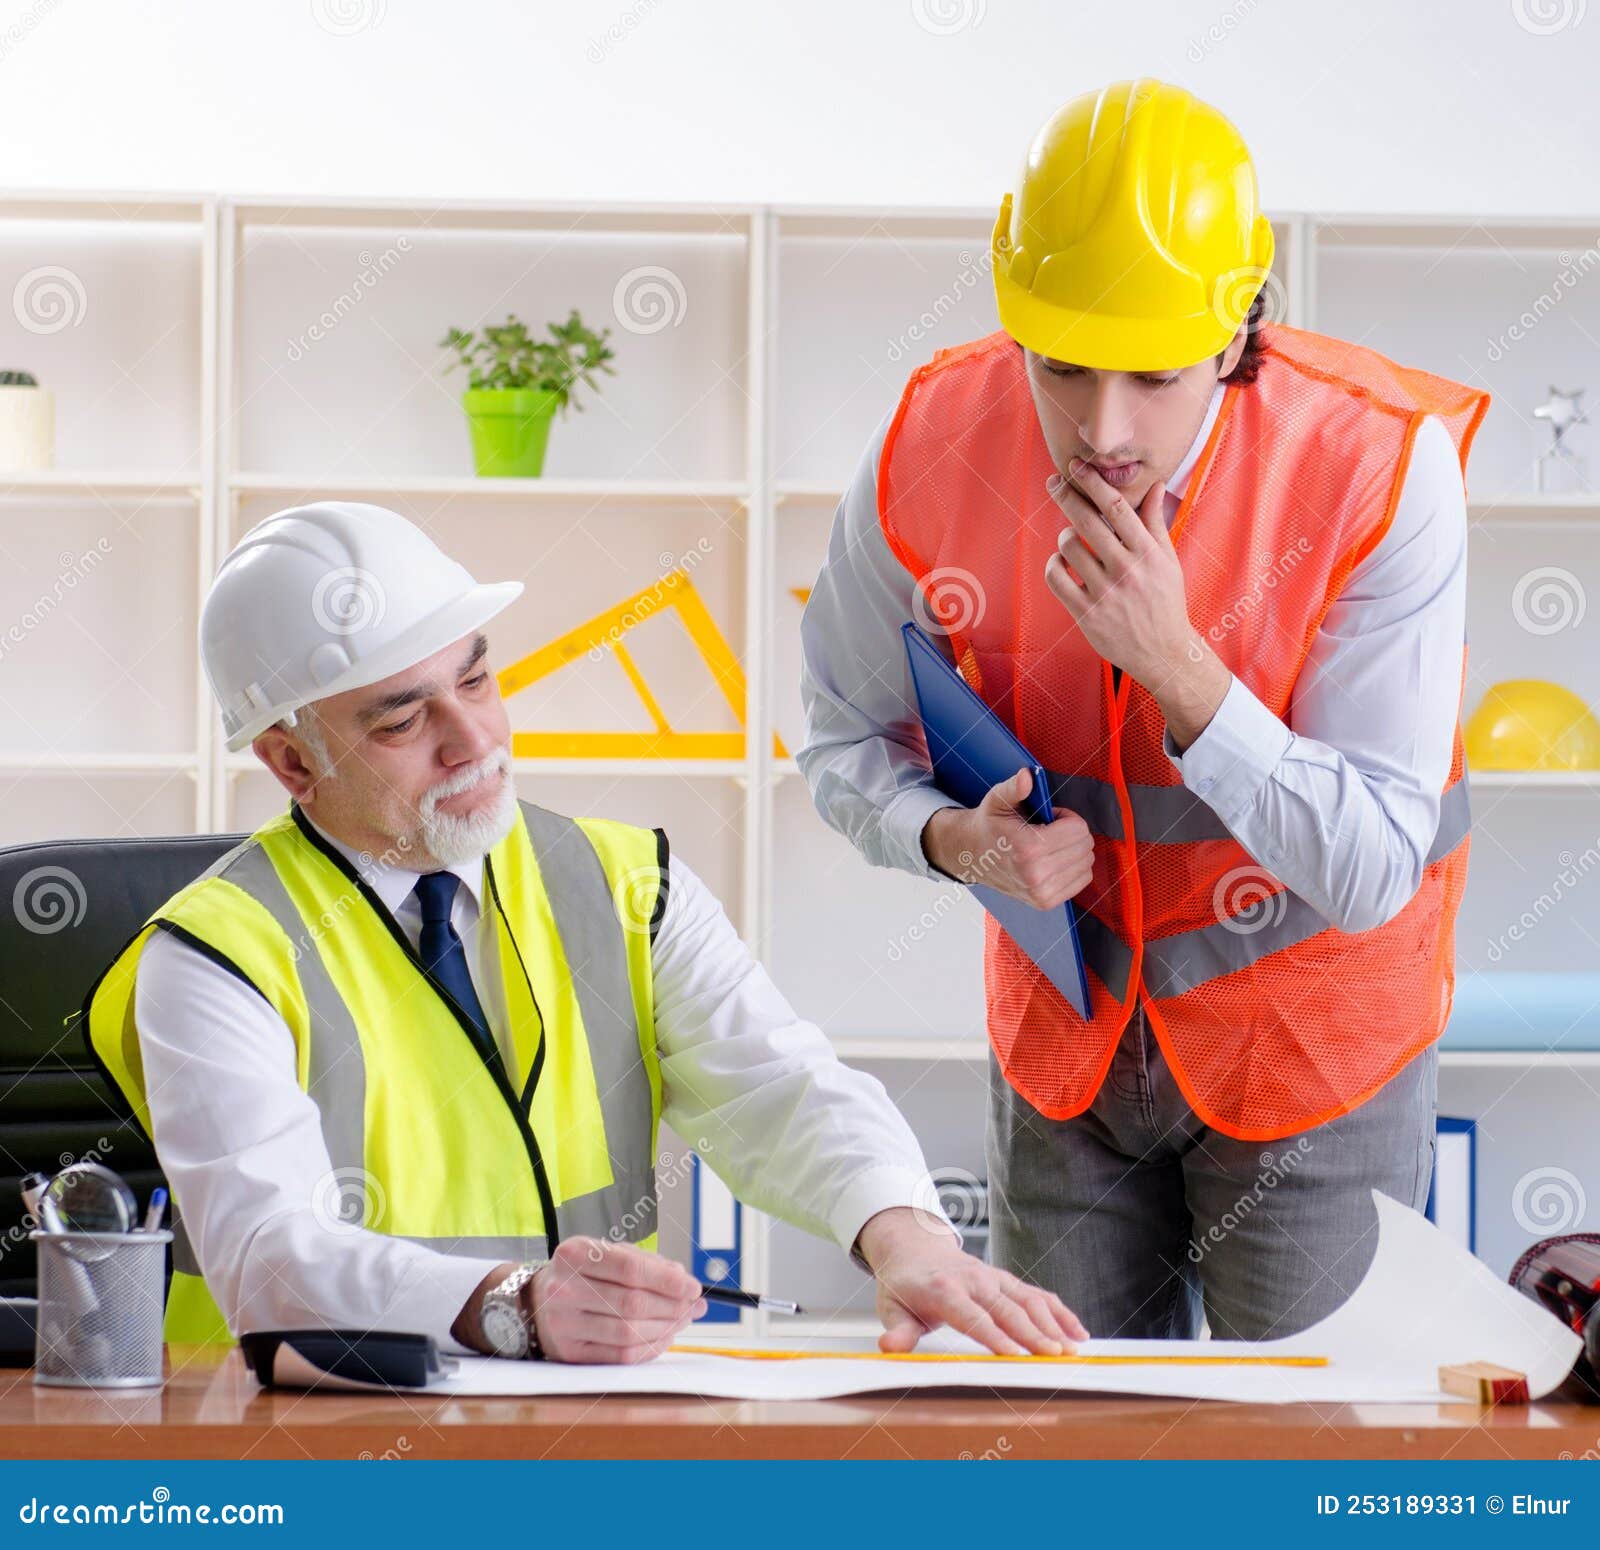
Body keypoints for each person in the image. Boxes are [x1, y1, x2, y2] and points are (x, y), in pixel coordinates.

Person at [797, 78, 1488, 1341]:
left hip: (1309, 1038)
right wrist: (952, 839)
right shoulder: (924, 446)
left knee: (1307, 1460)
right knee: (1062, 1445)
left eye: (1156, 376)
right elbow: (842, 735)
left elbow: (1376, 863)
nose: (1102, 429)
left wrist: (1183, 673)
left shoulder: (1379, 469)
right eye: (1060, 365)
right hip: (1068, 1037)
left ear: (1238, 333)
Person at [83, 501, 1086, 1363]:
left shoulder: (622, 881)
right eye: (400, 720)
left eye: (475, 679)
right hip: (302, 1444)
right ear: (292, 763)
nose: (473, 737)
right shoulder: (215, 953)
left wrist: (904, 1232)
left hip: (573, 1427)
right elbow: (266, 1252)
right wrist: (510, 1306)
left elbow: (778, 1085)